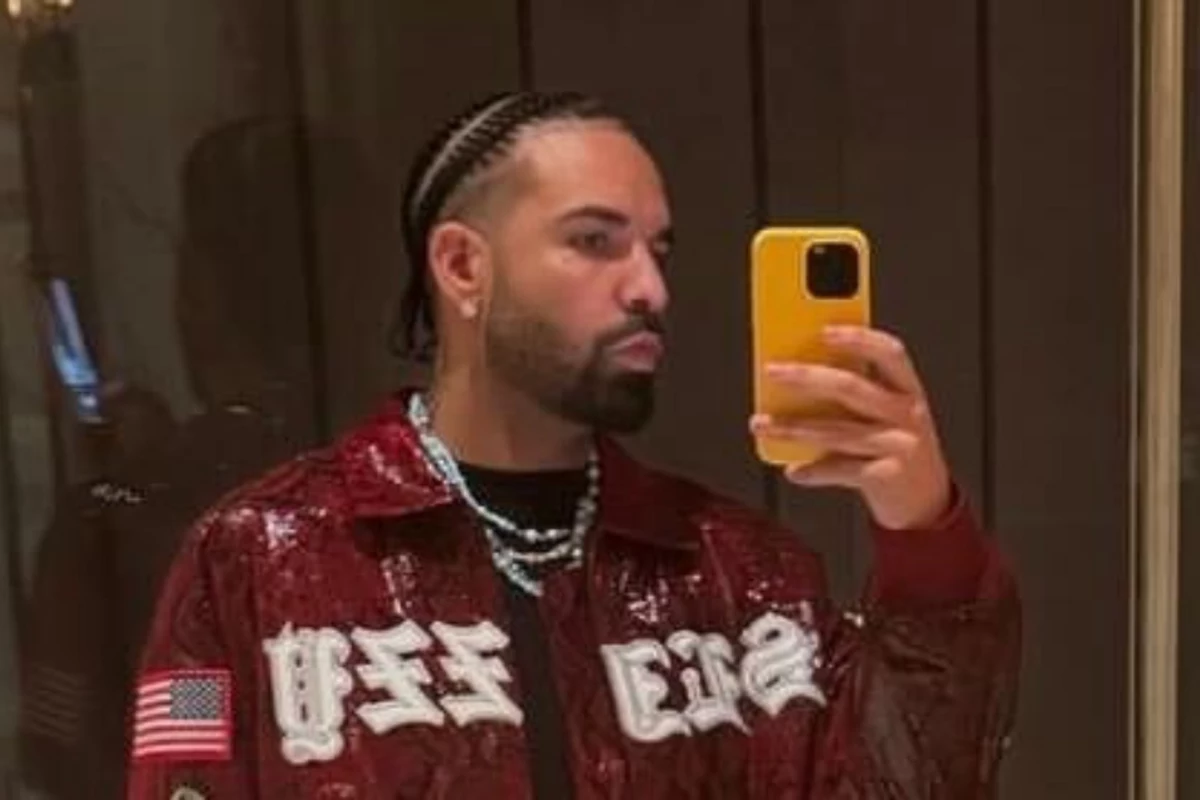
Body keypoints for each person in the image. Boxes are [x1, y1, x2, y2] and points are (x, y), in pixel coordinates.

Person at [126, 91, 1020, 799]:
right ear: (463, 266)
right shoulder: (255, 559)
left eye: (658, 250)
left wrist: (923, 534)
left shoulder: (745, 579)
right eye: (595, 241)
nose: (649, 288)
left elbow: (911, 785)